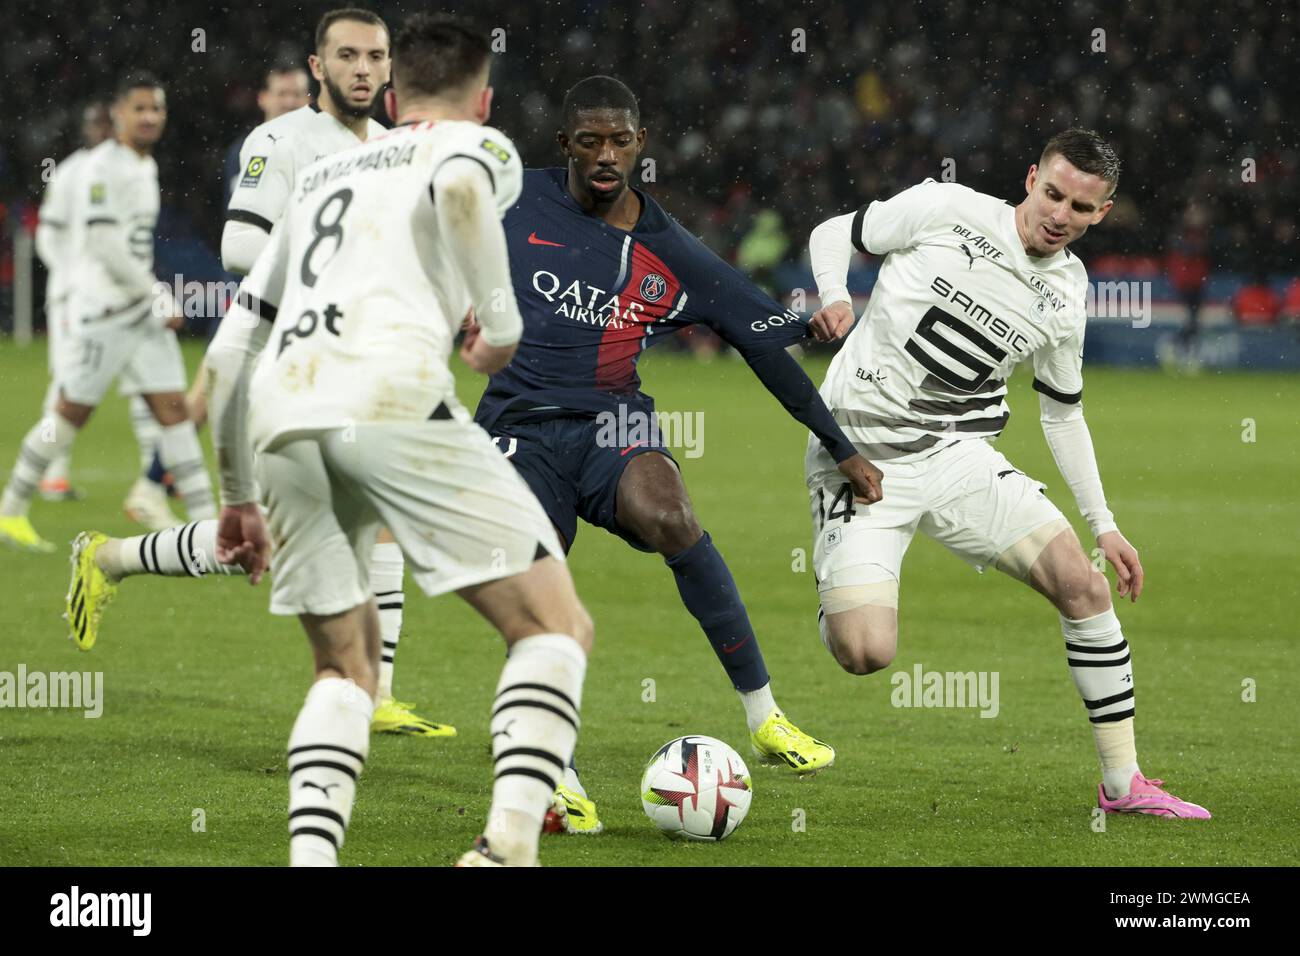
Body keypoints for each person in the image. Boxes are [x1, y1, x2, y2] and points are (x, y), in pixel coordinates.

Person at [205, 12, 591, 866]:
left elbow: (231, 354)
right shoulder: (474, 145)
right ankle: (507, 851)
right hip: (386, 396)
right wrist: (502, 330)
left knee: (344, 674)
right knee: (554, 630)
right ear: (481, 100)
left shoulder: (323, 177)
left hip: (280, 411)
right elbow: (457, 191)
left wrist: (235, 498)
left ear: (392, 85)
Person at [473, 75, 883, 832]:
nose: (605, 155)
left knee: (672, 515)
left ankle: (764, 719)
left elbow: (763, 347)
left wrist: (841, 445)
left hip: (612, 422)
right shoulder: (508, 194)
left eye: (619, 140)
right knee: (535, 585)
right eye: (589, 141)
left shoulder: (670, 251)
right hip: (516, 424)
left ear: (640, 144)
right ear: (564, 145)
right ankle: (554, 774)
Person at [68, 8, 452, 739]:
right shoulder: (278, 141)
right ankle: (110, 557)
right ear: (318, 67)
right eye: (347, 55)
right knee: (278, 538)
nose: (363, 68)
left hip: (361, 365)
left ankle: (376, 695)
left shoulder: (398, 150)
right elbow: (242, 245)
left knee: (373, 524)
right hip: (288, 361)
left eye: (376, 56)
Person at [804, 128, 1209, 818]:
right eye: (1052, 195)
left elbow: (1061, 413)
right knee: (865, 652)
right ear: (1030, 179)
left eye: (1080, 209)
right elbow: (835, 230)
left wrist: (1104, 526)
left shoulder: (1067, 292)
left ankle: (1123, 784)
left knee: (1084, 585)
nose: (1060, 216)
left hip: (959, 457)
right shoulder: (947, 207)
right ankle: (841, 580)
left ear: (1101, 213)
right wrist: (835, 294)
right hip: (859, 460)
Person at [0, 74, 215, 555]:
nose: (149, 118)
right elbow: (103, 244)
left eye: (156, 109)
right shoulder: (100, 169)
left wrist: (150, 298)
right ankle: (10, 510)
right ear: (118, 114)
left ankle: (209, 528)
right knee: (69, 414)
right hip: (106, 314)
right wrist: (157, 293)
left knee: (175, 414)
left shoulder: (145, 165)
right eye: (139, 109)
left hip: (140, 315)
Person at [33, 101, 113, 503]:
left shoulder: (127, 170)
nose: (98, 128)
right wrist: (71, 277)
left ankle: (160, 479)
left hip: (118, 300)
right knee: (67, 381)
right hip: (72, 298)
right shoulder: (69, 173)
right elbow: (47, 236)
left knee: (148, 386)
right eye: (92, 122)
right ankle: (50, 474)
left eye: (104, 121)